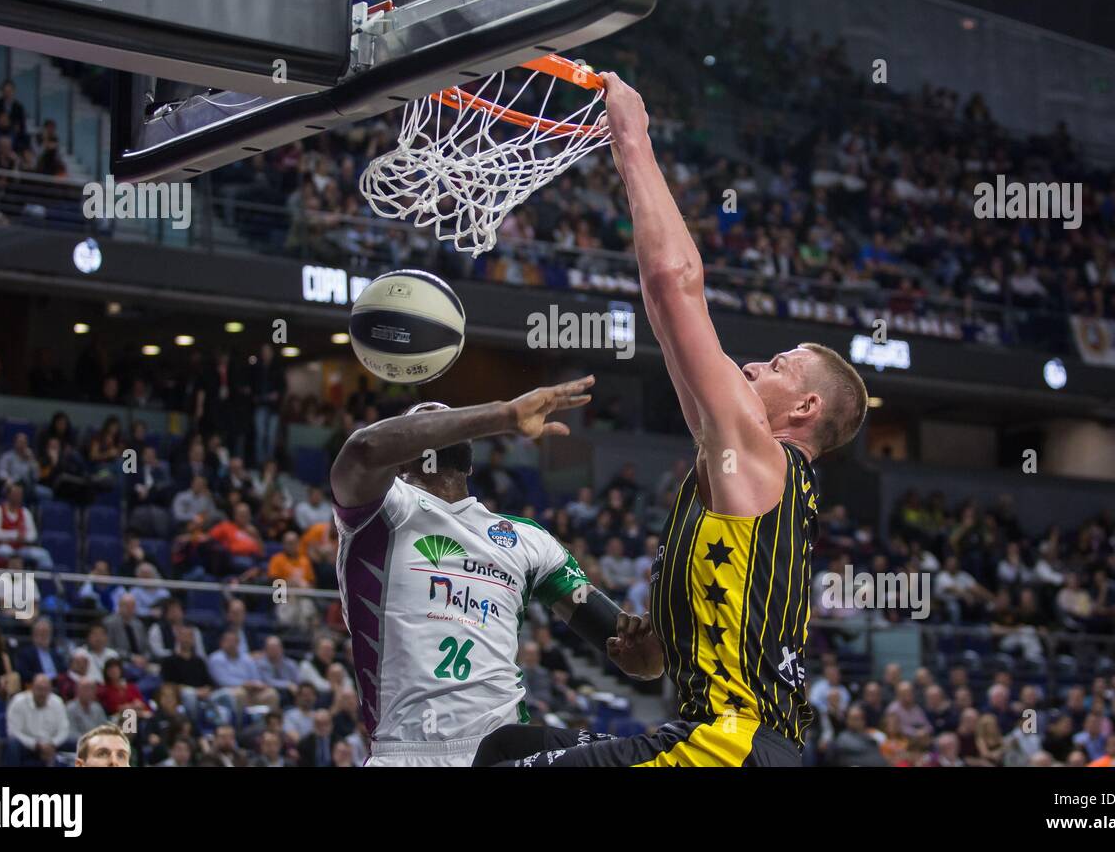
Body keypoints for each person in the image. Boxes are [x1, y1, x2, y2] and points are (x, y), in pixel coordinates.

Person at [476, 74, 868, 768]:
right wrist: (656, 650)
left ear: (805, 409)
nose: (752, 368)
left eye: (777, 366)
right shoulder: (741, 480)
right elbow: (714, 637)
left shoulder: (760, 454)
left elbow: (670, 287)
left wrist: (631, 134)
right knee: (514, 746)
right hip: (743, 744)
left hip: (728, 747)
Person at [329, 382, 659, 768]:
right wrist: (504, 415)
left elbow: (637, 660)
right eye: (424, 422)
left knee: (640, 753)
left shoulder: (529, 539)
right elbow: (364, 449)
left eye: (449, 419)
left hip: (507, 752)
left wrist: (648, 655)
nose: (439, 417)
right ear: (400, 461)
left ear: (471, 463)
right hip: (407, 753)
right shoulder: (379, 513)